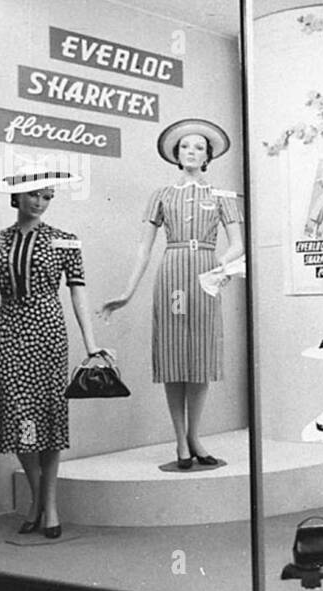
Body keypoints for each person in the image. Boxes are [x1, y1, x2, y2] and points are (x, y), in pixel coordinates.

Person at [100, 118, 244, 469]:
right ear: (176, 156)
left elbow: (238, 245)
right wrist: (127, 293)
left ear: (208, 155)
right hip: (172, 275)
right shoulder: (161, 196)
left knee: (200, 359)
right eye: (184, 147)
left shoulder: (221, 196)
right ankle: (180, 440)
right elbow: (144, 250)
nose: (191, 152)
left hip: (205, 278)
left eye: (198, 147)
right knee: (174, 356)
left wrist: (217, 267)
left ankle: (196, 436)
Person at [0, 168, 105, 540]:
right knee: (20, 418)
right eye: (34, 194)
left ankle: (49, 506)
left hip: (48, 331)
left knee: (48, 415)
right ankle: (39, 500)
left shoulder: (65, 240)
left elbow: (78, 292)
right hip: (11, 329)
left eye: (47, 196)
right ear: (16, 196)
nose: (40, 202)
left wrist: (91, 344)